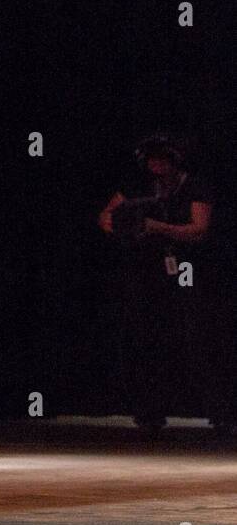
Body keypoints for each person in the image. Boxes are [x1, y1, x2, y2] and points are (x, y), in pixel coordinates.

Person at [98, 135, 218, 430]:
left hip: (190, 269)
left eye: (162, 159)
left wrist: (158, 228)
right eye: (152, 160)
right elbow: (106, 214)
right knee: (145, 338)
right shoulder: (140, 186)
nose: (156, 166)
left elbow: (199, 230)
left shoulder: (193, 186)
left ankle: (220, 411)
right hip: (148, 270)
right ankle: (149, 410)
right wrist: (122, 230)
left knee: (196, 339)